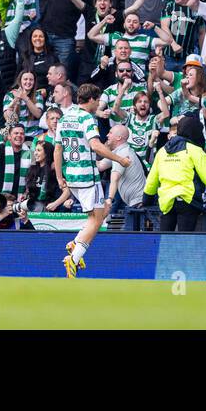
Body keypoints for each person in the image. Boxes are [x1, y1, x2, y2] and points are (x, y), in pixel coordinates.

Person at [55, 88, 134, 277]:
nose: (99, 104)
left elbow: (57, 150)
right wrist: (119, 159)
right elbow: (96, 145)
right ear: (90, 99)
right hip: (87, 176)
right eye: (97, 100)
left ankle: (76, 244)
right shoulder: (87, 119)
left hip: (72, 176)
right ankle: (73, 257)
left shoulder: (64, 118)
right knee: (97, 219)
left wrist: (59, 176)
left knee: (100, 213)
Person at [144, 111, 206, 233]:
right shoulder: (195, 151)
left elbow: (151, 180)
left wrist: (146, 201)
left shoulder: (162, 151)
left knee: (166, 244)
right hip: (187, 202)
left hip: (166, 203)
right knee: (185, 244)